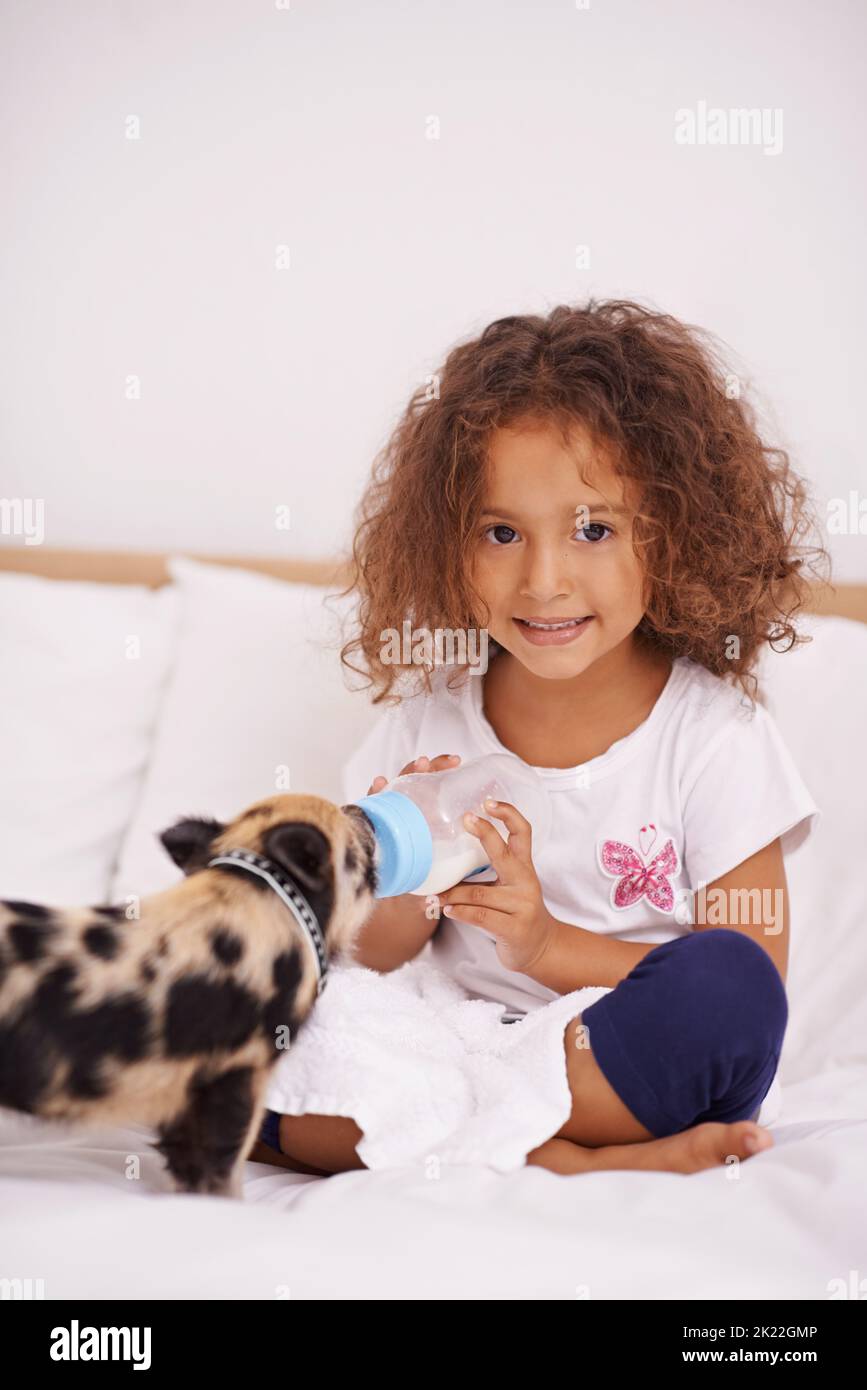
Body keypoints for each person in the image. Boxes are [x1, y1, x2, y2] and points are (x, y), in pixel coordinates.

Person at [251, 299, 828, 1178]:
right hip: (443, 1039)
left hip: (609, 1056)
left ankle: (475, 1136)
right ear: (448, 544)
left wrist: (545, 947)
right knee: (234, 1004)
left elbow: (756, 971)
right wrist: (409, 876)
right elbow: (363, 955)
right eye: (500, 532)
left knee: (727, 989)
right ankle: (562, 1158)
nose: (543, 579)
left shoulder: (713, 738)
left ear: (670, 536)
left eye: (592, 529)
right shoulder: (425, 726)